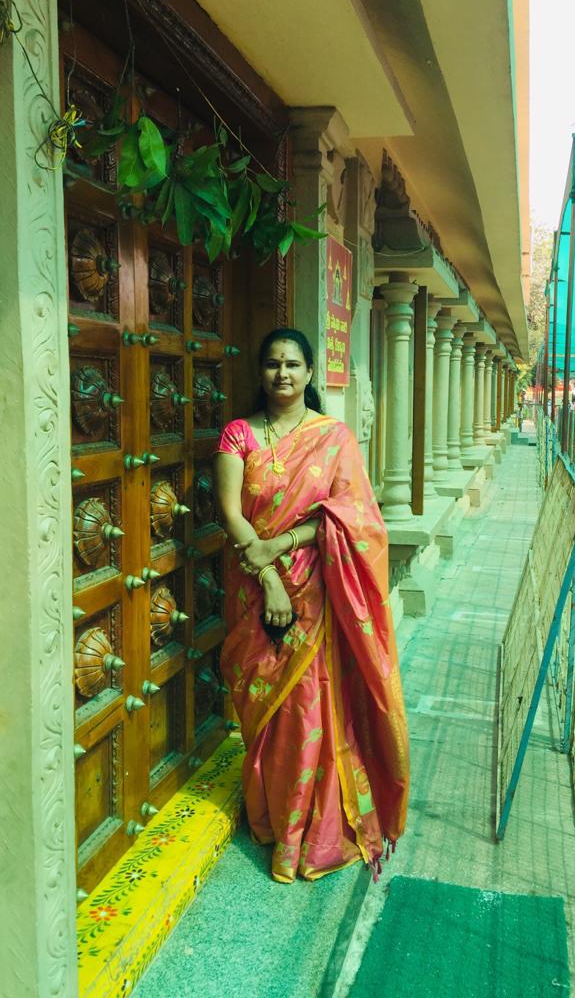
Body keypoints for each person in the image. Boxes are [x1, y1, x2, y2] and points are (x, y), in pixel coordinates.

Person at [215, 328, 409, 883]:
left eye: (293, 364)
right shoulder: (238, 434)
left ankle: (306, 834)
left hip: (315, 590)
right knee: (262, 707)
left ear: (309, 374)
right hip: (254, 586)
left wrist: (284, 545)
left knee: (308, 708)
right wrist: (270, 575)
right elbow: (232, 515)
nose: (283, 374)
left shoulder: (333, 438)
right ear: (260, 371)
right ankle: (274, 820)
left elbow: (354, 517)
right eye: (273, 363)